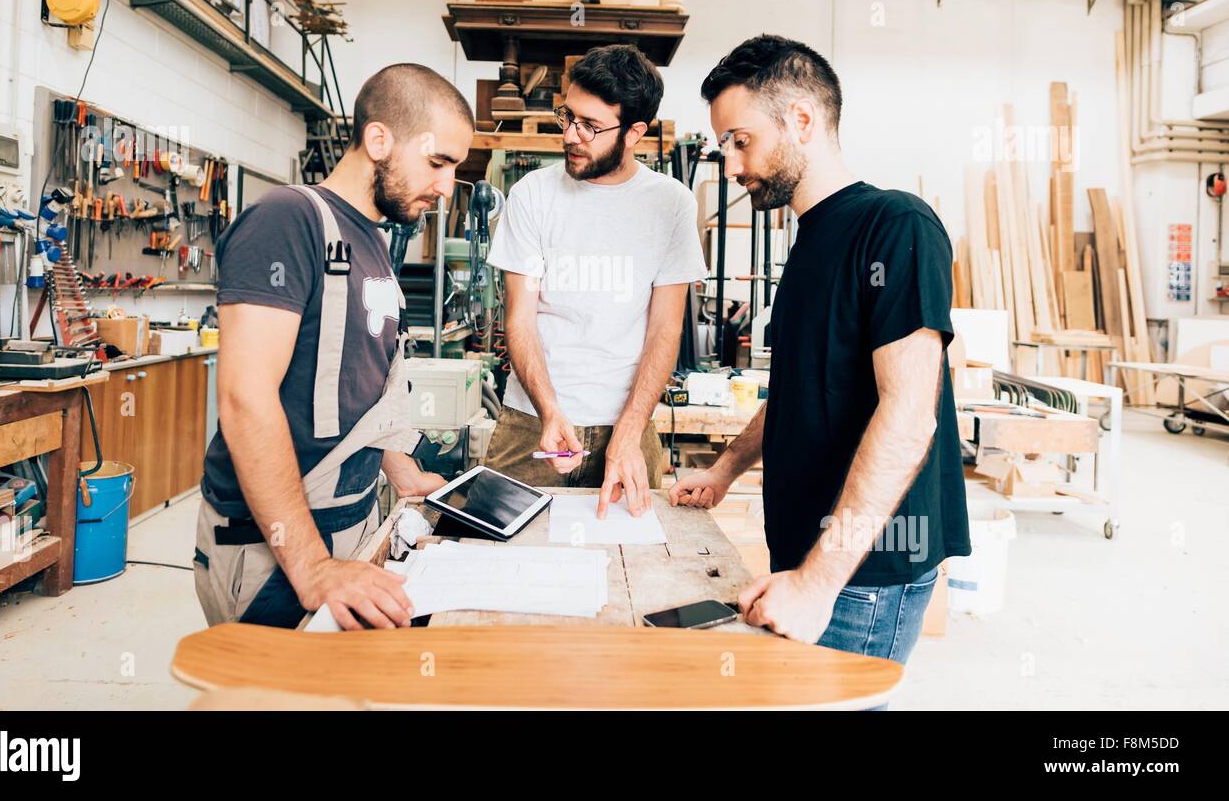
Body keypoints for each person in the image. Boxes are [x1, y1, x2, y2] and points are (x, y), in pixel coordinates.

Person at [670, 35, 970, 665]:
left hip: (863, 574)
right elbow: (801, 391)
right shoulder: (809, 240)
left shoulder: (895, 225)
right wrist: (726, 469)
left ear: (801, 119)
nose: (731, 165)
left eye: (740, 141)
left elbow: (911, 417)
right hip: (810, 558)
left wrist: (818, 581)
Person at [193, 63, 473, 630]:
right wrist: (312, 565)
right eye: (438, 162)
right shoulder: (286, 220)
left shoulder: (371, 240)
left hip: (346, 524)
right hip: (275, 546)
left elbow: (356, 388)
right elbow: (246, 399)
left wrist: (401, 470)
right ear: (378, 140)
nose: (446, 187)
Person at [485, 44, 707, 518]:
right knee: (501, 558)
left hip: (628, 421)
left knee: (636, 568)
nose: (571, 135)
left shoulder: (671, 205)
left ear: (635, 133)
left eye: (591, 126)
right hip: (532, 421)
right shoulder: (531, 196)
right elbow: (519, 320)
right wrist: (549, 410)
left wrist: (628, 432)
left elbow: (665, 330)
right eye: (568, 116)